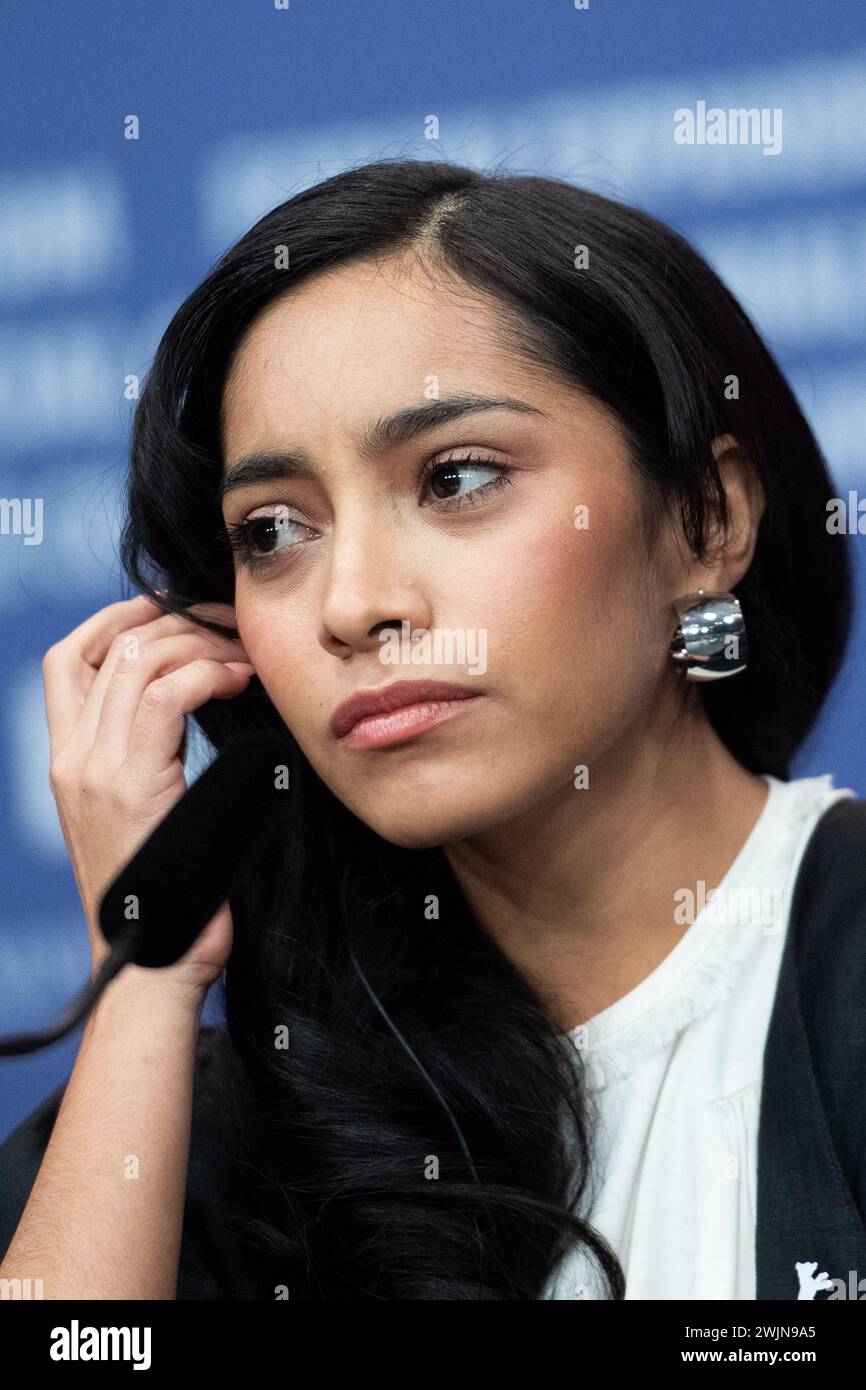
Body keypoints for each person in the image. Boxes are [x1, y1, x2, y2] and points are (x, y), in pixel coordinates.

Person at [0, 158, 859, 1300]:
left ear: (702, 521)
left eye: (455, 477)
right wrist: (149, 981)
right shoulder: (238, 1120)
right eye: (272, 531)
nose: (352, 603)